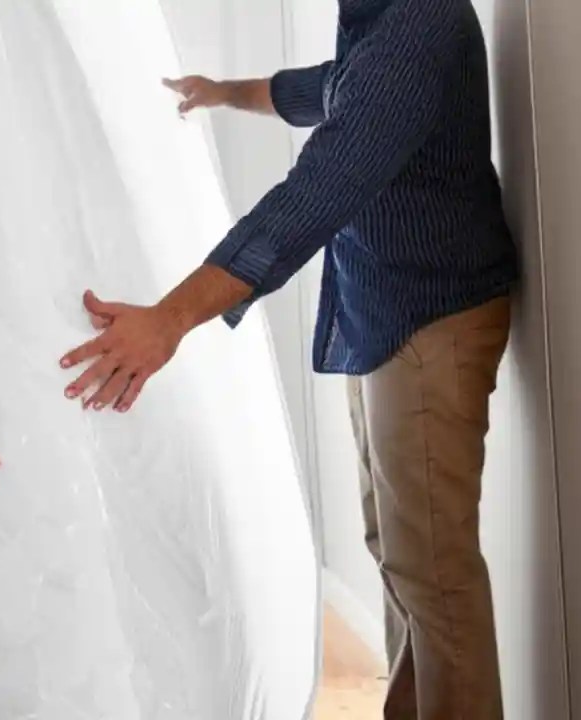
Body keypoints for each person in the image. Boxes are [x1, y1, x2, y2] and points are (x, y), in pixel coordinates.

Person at [60, 1, 517, 718]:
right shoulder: (377, 22)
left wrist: (170, 319)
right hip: (391, 316)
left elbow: (315, 194)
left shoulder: (415, 26)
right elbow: (327, 87)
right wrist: (223, 91)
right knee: (399, 553)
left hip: (432, 323)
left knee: (433, 571)